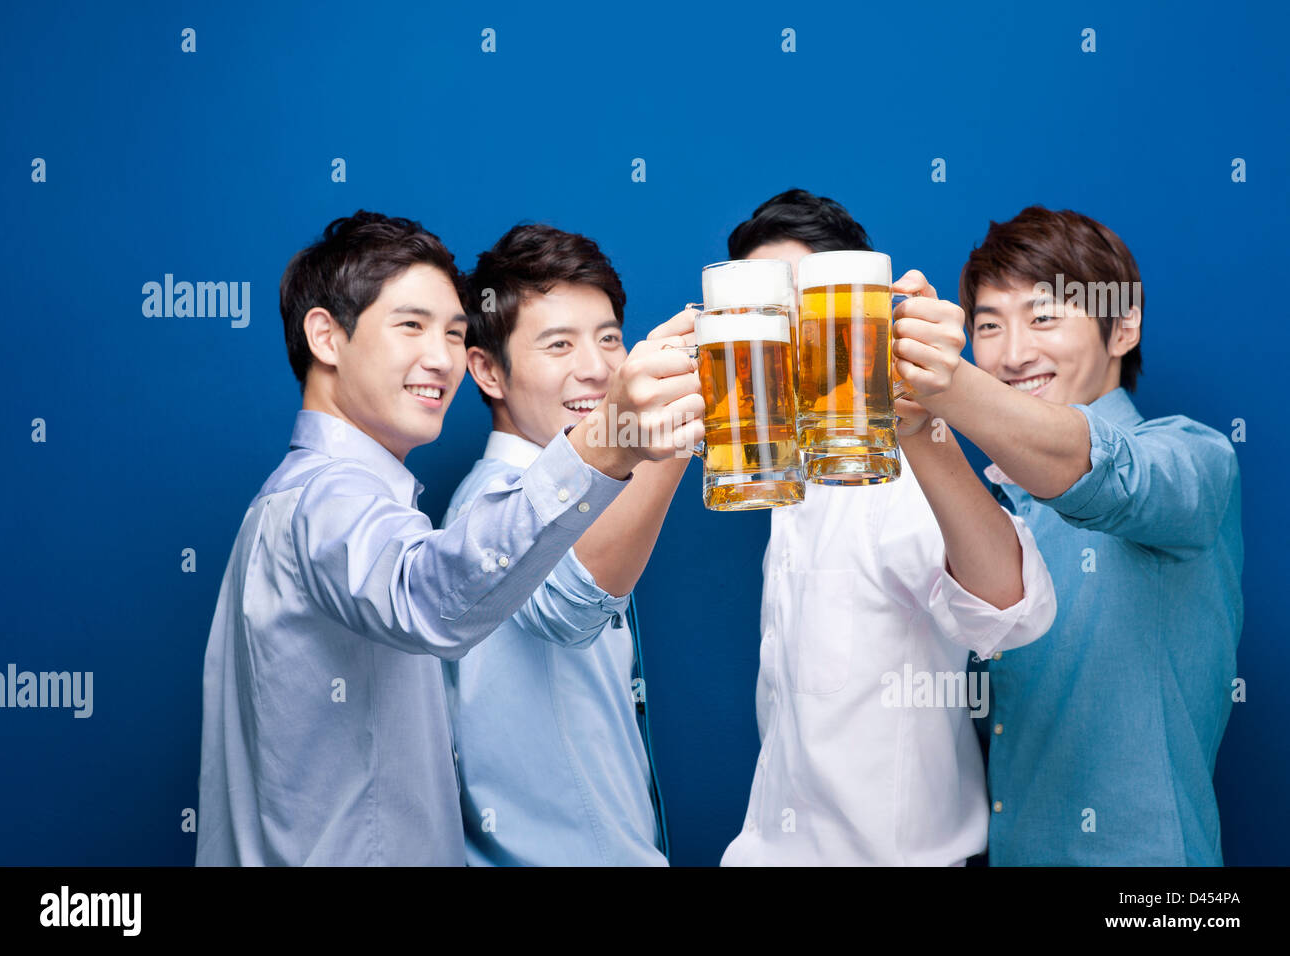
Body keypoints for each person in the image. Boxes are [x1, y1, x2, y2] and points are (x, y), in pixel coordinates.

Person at [195, 211, 703, 866]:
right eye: (410, 326)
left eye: (452, 332)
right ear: (326, 336)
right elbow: (427, 595)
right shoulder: (327, 499)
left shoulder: (308, 499)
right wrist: (616, 441)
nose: (440, 360)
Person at [719, 189, 1057, 866]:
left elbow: (1009, 614)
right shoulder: (787, 481)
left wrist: (923, 425)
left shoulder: (893, 474)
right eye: (757, 305)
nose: (774, 327)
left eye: (795, 303)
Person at [918, 206, 1242, 865]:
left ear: (1122, 327)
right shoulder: (998, 509)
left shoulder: (1197, 461)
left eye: (1043, 317)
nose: (1012, 354)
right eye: (987, 325)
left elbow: (1097, 470)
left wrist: (944, 381)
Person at [442, 223, 688, 865]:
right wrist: (665, 433)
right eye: (559, 345)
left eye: (610, 339)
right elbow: (571, 606)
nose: (599, 368)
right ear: (488, 371)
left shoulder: (592, 492)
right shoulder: (490, 507)